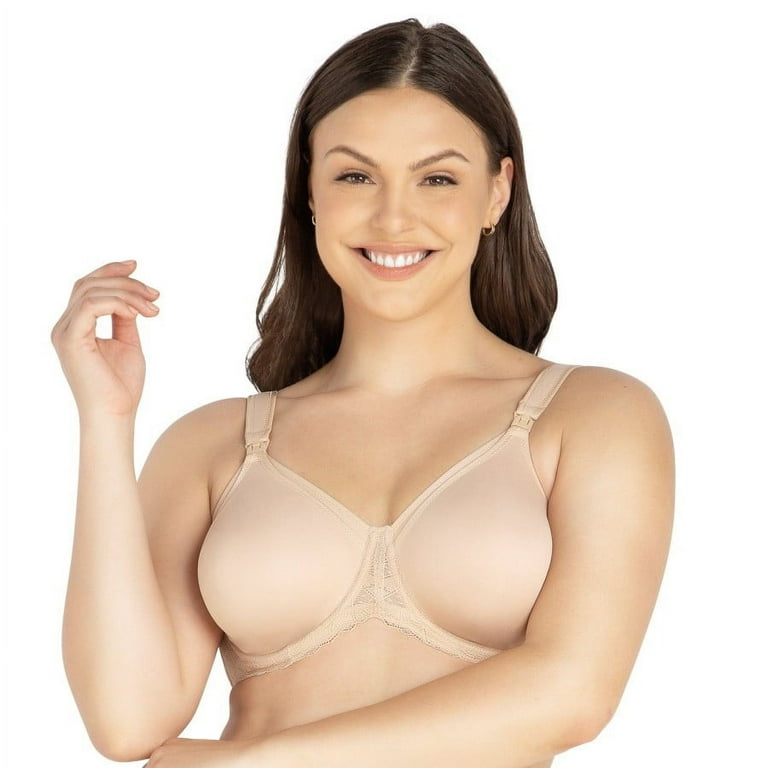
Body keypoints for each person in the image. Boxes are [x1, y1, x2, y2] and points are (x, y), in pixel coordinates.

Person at [50, 18, 674, 768]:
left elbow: (572, 693)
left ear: (497, 192)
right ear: (309, 193)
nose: (394, 217)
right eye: (354, 176)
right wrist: (105, 421)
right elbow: (128, 723)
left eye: (437, 178)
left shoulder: (593, 417)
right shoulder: (213, 446)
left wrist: (259, 762)